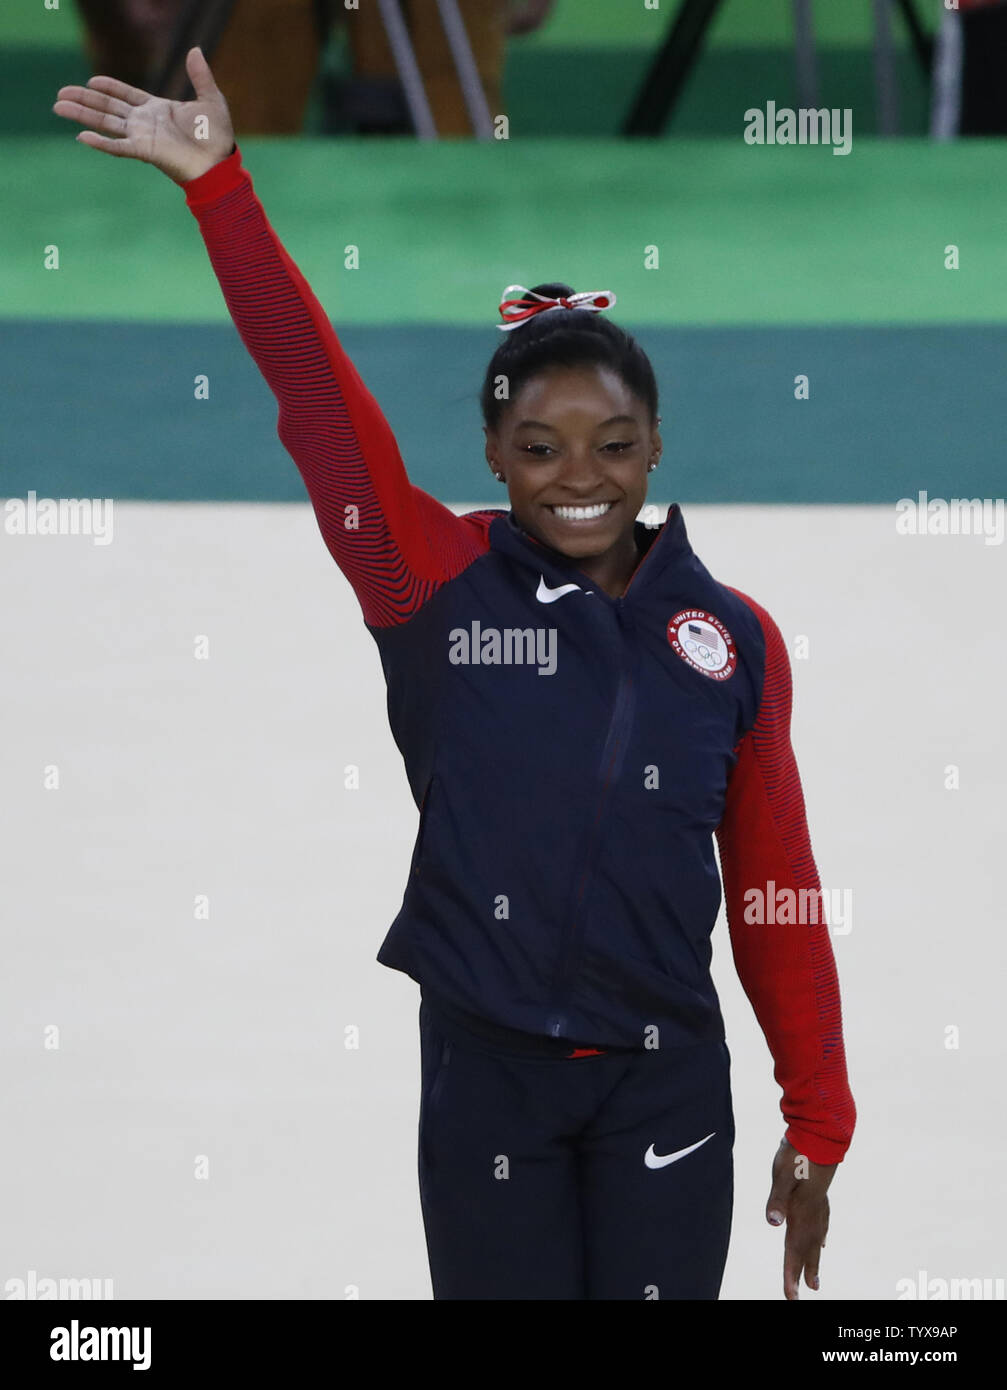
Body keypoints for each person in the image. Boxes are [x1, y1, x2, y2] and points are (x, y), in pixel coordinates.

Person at [53, 47, 856, 1301]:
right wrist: (220, 188)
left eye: (612, 443)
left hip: (667, 1077)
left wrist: (817, 1115)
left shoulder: (731, 639)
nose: (577, 475)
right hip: (489, 1079)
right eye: (537, 446)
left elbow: (772, 885)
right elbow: (316, 402)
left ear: (657, 448)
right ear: (490, 451)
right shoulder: (424, 582)